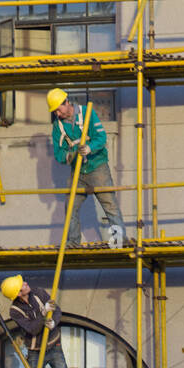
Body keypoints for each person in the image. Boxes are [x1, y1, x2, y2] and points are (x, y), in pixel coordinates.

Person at [48, 88, 127, 248]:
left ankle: (119, 241)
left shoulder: (87, 113)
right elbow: (58, 152)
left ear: (67, 102)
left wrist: (90, 147)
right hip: (77, 172)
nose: (57, 113)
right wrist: (69, 156)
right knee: (70, 206)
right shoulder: (58, 126)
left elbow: (101, 137)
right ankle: (73, 242)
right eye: (54, 111)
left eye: (58, 108)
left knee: (109, 205)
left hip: (98, 167)